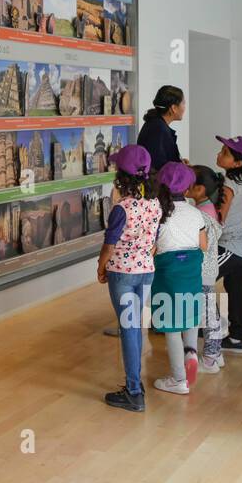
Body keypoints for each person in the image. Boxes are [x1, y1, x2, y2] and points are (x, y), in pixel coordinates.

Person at [98, 145, 163, 413]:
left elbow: (110, 244)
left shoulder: (121, 208)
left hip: (122, 273)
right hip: (146, 271)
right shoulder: (155, 203)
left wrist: (100, 267)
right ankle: (136, 385)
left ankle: (134, 391)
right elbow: (155, 240)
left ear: (121, 176)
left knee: (129, 328)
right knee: (135, 326)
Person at [150, 162, 208, 394]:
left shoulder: (158, 213)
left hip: (167, 272)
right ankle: (191, 352)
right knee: (191, 316)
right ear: (187, 189)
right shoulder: (196, 213)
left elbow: (153, 248)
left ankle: (178, 379)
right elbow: (203, 245)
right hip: (192, 270)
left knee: (171, 326)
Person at [214, 135, 242, 353]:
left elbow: (220, 216)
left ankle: (210, 326)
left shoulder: (229, 183)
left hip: (232, 246)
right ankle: (236, 338)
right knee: (235, 290)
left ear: (238, 162)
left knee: (199, 278)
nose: (219, 154)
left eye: (225, 153)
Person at [188, 166, 225, 372]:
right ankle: (216, 353)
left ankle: (210, 358)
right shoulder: (208, 207)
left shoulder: (200, 214)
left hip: (202, 270)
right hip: (208, 269)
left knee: (207, 315)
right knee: (211, 312)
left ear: (200, 189)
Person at [136, 85, 185, 172]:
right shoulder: (158, 129)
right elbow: (159, 167)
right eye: (183, 103)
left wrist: (179, 163)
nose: (184, 108)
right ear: (173, 108)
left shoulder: (156, 124)